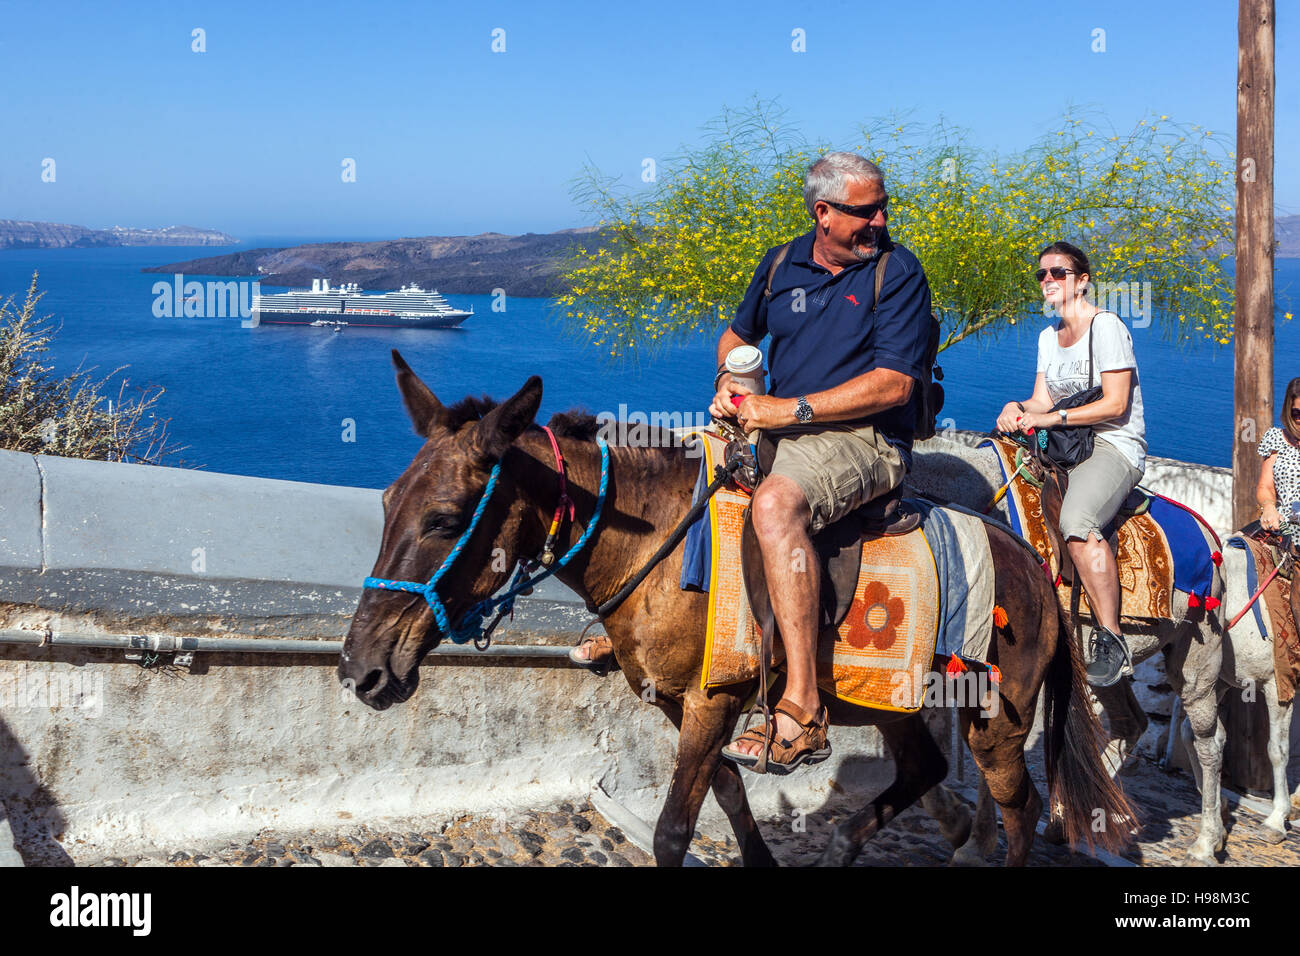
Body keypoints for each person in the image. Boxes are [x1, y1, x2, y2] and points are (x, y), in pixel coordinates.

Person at [704, 151, 934, 773]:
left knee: (775, 504)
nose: (881, 220)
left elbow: (894, 386)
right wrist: (732, 379)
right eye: (866, 211)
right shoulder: (782, 263)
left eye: (885, 208)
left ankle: (803, 707)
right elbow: (738, 336)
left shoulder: (898, 272)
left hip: (865, 440)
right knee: (678, 471)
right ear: (823, 213)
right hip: (781, 425)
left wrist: (784, 411)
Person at [995, 241, 1147, 688]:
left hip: (1112, 444)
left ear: (1081, 280)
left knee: (1078, 520)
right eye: (1041, 274)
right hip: (1065, 444)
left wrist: (1049, 418)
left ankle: (1111, 638)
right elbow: (1041, 398)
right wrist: (1016, 407)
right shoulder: (1048, 337)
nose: (1047, 281)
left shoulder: (1108, 328)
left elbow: (1116, 404)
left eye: (1057, 273)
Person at [1257, 377, 1300, 545]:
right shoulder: (1275, 439)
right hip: (1281, 525)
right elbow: (1265, 486)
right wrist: (1268, 507)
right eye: (1297, 414)